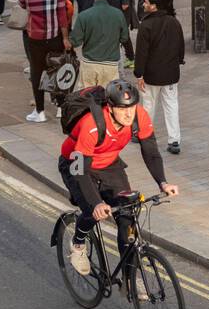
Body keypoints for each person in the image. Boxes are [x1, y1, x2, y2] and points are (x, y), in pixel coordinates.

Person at [58, 79, 180, 275]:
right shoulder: (92, 125)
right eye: (123, 109)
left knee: (127, 216)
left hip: (109, 165)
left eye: (132, 107)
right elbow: (80, 170)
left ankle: (130, 276)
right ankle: (78, 243)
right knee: (91, 210)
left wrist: (162, 182)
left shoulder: (139, 116)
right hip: (76, 165)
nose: (128, 113)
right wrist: (97, 203)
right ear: (110, 107)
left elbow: (151, 151)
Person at [17, 0, 71, 122]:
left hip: (35, 38)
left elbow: (23, 6)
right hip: (55, 36)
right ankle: (61, 107)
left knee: (36, 73)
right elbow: (62, 14)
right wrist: (65, 38)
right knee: (57, 70)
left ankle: (39, 112)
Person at [134, 0, 186, 154]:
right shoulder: (173, 22)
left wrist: (139, 73)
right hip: (171, 73)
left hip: (151, 75)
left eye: (146, 2)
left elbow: (141, 53)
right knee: (171, 105)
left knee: (149, 105)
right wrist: (178, 61)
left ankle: (146, 135)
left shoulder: (146, 25)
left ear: (154, 6)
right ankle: (174, 140)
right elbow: (180, 47)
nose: (143, 4)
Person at [71, 0, 131, 88]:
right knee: (109, 99)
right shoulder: (118, 14)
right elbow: (124, 38)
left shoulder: (84, 15)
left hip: (89, 64)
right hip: (111, 65)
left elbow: (75, 41)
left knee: (88, 99)